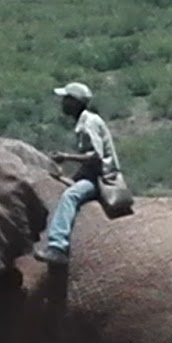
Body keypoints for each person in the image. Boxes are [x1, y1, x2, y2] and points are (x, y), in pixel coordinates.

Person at [34, 81, 121, 265]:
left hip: (101, 178)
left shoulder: (88, 123)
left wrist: (65, 157)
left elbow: (95, 156)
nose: (62, 103)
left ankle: (58, 247)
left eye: (66, 99)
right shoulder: (87, 120)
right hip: (91, 175)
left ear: (74, 102)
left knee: (70, 196)